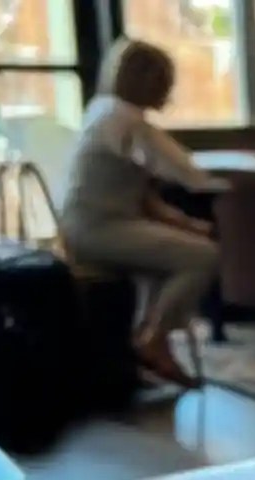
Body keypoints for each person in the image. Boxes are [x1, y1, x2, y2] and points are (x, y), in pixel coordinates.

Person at [60, 38, 227, 389]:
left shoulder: (103, 110)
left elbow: (144, 198)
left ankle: (146, 342)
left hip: (88, 226)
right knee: (203, 257)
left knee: (179, 250)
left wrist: (187, 224)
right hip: (98, 231)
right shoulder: (126, 121)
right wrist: (211, 186)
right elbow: (186, 173)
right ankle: (154, 340)